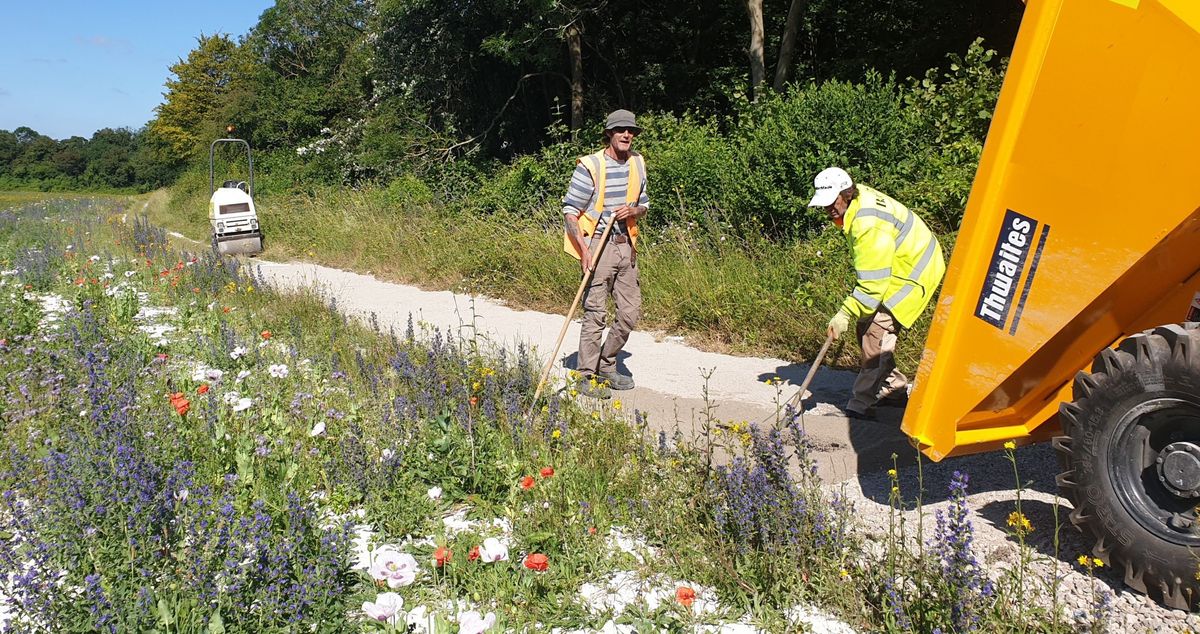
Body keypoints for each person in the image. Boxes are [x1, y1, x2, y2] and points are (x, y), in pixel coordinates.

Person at [808, 167, 946, 420]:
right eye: (824, 204)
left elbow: (872, 288)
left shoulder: (867, 226)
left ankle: (861, 404)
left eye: (832, 202)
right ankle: (894, 389)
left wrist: (844, 313)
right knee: (866, 326)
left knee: (876, 330)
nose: (828, 209)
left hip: (916, 271)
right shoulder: (857, 204)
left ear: (846, 194)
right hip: (902, 263)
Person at [561, 109, 649, 399]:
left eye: (631, 130)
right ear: (609, 133)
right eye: (621, 130)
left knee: (629, 313)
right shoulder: (591, 166)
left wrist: (634, 210)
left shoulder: (637, 163)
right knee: (595, 313)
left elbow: (645, 205)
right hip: (598, 245)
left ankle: (607, 364)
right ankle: (585, 375)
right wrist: (584, 251)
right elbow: (571, 211)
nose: (627, 135)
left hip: (626, 245)